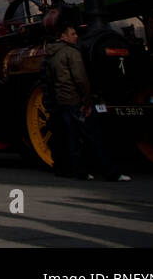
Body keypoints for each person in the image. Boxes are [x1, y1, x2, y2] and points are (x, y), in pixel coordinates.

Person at [45, 17, 129, 181]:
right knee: (94, 137)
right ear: (63, 36)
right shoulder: (71, 53)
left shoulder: (52, 54)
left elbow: (50, 80)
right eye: (73, 33)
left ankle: (79, 170)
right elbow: (81, 79)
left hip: (63, 101)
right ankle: (110, 172)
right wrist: (88, 100)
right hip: (77, 101)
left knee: (72, 138)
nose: (76, 36)